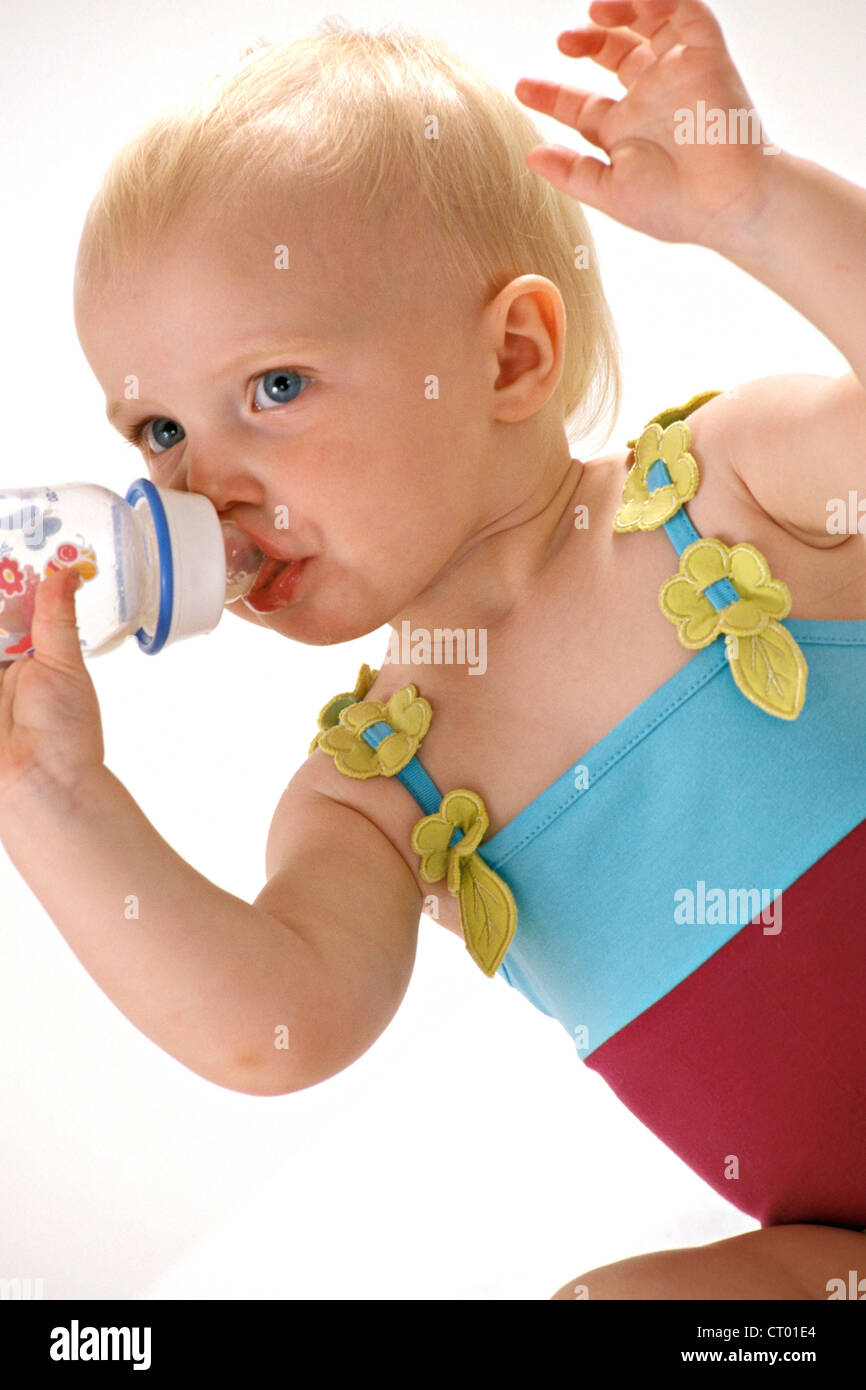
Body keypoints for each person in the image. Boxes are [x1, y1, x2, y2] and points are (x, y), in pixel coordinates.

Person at [1, 0, 864, 1299]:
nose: (199, 484)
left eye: (273, 389)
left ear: (511, 356)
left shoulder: (727, 496)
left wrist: (757, 209)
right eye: (158, 431)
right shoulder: (380, 788)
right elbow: (274, 1029)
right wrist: (52, 797)